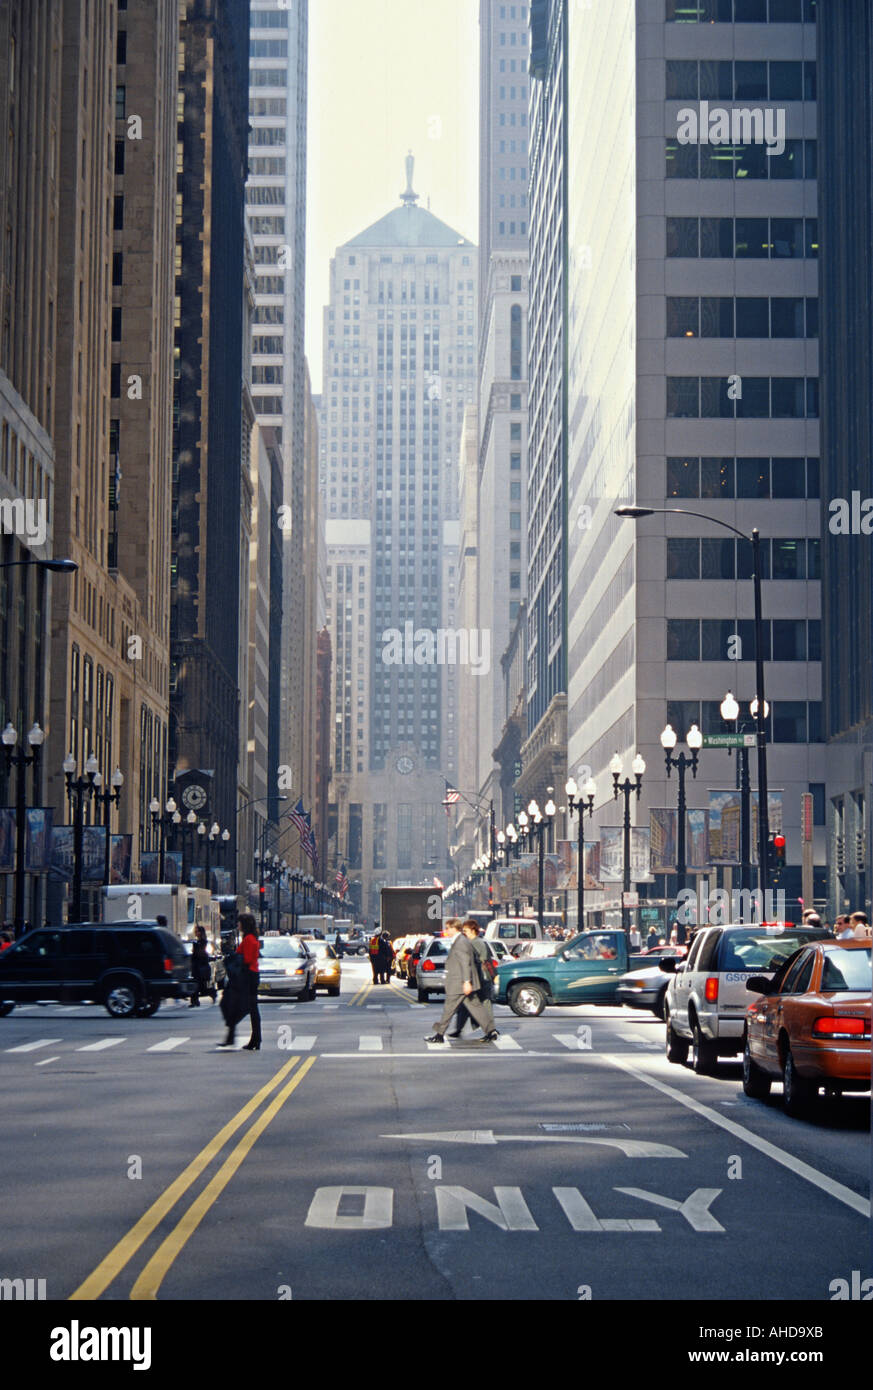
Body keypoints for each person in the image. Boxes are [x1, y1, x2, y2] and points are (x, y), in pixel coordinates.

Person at [424, 918, 498, 1045]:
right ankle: (491, 1031)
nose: (446, 930)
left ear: (454, 928)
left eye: (448, 928)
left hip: (459, 983)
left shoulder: (460, 942)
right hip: (462, 982)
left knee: (449, 1009)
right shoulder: (461, 941)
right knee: (476, 1007)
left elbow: (465, 963)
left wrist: (466, 981)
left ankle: (439, 1034)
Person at [219, 914, 261, 1050]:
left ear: (244, 924)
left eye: (239, 923)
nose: (238, 925)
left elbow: (247, 959)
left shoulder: (248, 939)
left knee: (236, 1005)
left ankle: (252, 1038)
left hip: (247, 976)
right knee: (245, 1007)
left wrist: (235, 956)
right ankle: (253, 1039)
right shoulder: (250, 938)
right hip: (250, 975)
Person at [448, 921, 495, 1038]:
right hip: (475, 979)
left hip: (480, 979)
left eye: (466, 931)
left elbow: (483, 960)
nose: (464, 933)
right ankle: (459, 1029)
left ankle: (491, 1031)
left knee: (484, 1004)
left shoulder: (477, 943)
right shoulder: (470, 942)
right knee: (465, 1005)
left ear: (473, 930)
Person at [189, 924, 214, 1007]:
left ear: (201, 932)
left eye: (197, 931)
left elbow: (201, 954)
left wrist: (195, 949)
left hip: (201, 966)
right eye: (195, 931)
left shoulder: (203, 942)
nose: (196, 933)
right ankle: (194, 1001)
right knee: (196, 984)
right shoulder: (196, 942)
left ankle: (211, 993)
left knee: (201, 986)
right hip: (196, 966)